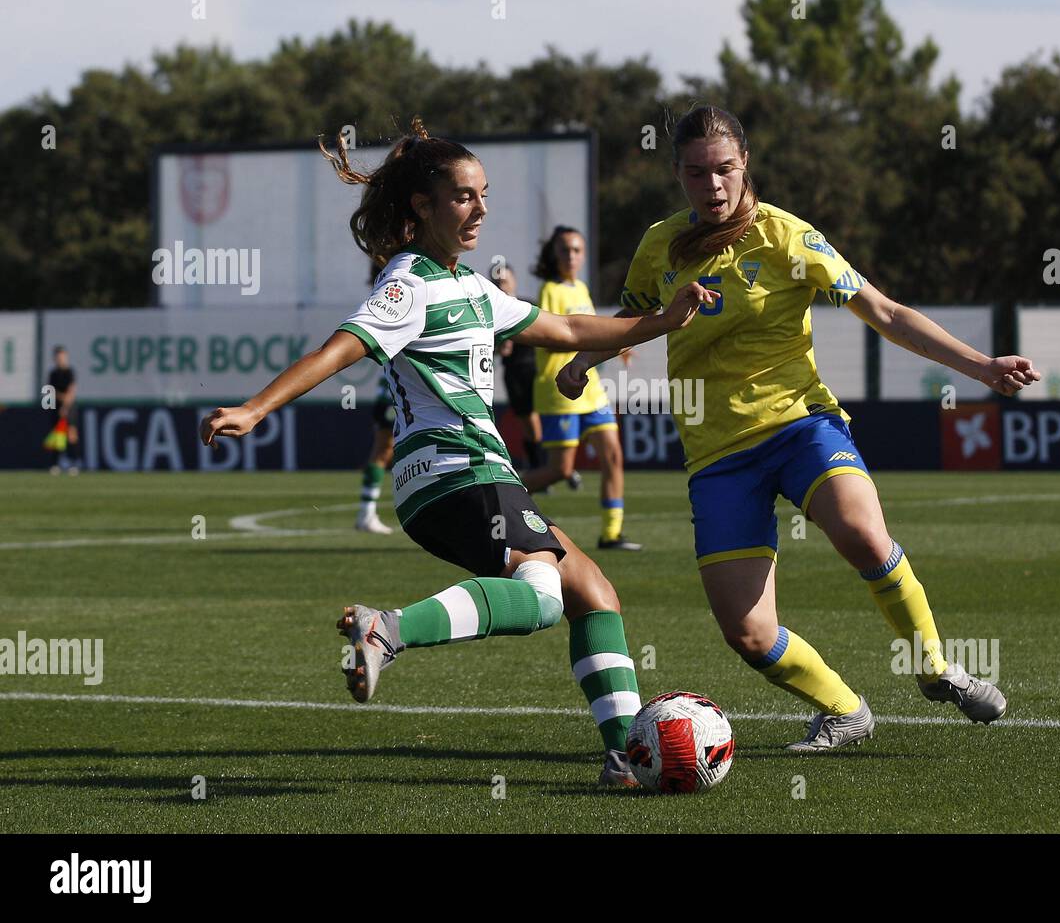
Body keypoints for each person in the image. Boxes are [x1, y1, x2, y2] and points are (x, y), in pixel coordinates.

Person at [199, 117, 715, 784]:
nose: (480, 209)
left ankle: (622, 756)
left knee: (594, 593)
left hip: (464, 480)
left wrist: (663, 320)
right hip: (456, 471)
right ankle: (390, 630)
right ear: (423, 206)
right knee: (546, 595)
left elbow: (565, 326)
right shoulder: (408, 285)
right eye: (464, 196)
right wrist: (255, 408)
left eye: (484, 194)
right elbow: (338, 348)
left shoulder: (471, 288)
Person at [559, 105, 1041, 752]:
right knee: (749, 633)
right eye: (697, 173)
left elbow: (887, 312)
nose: (713, 186)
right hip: (717, 455)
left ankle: (935, 667)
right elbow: (635, 315)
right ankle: (845, 709)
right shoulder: (661, 245)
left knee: (864, 535)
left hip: (799, 424)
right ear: (677, 174)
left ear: (745, 164)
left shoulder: (790, 238)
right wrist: (584, 360)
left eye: (724, 169)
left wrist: (981, 366)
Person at [522, 227, 640, 550]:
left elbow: (590, 333)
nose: (571, 256)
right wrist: (593, 342)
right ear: (554, 255)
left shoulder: (582, 289)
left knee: (613, 455)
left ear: (584, 254)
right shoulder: (550, 290)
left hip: (592, 390)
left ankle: (611, 534)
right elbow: (548, 339)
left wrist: (616, 344)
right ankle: (505, 491)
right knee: (560, 470)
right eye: (564, 250)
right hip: (559, 390)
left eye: (576, 250)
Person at [490, 263, 548, 473]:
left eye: (504, 281)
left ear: (514, 280)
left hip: (535, 370)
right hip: (514, 373)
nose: (501, 285)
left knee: (538, 418)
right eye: (497, 282)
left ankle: (546, 466)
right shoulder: (490, 312)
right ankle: (538, 467)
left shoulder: (527, 305)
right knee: (526, 419)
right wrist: (499, 347)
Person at [355, 372, 396, 534]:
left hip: (387, 398)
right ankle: (366, 514)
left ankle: (366, 513)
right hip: (394, 399)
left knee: (383, 451)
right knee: (384, 451)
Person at [45, 346, 80, 475]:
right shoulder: (53, 373)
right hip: (55, 408)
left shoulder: (70, 372)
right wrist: (51, 406)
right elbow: (49, 393)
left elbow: (71, 393)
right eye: (58, 357)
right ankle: (55, 465)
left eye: (62, 356)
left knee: (71, 435)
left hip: (69, 408)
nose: (60, 359)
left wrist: (65, 407)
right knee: (57, 437)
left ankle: (74, 463)